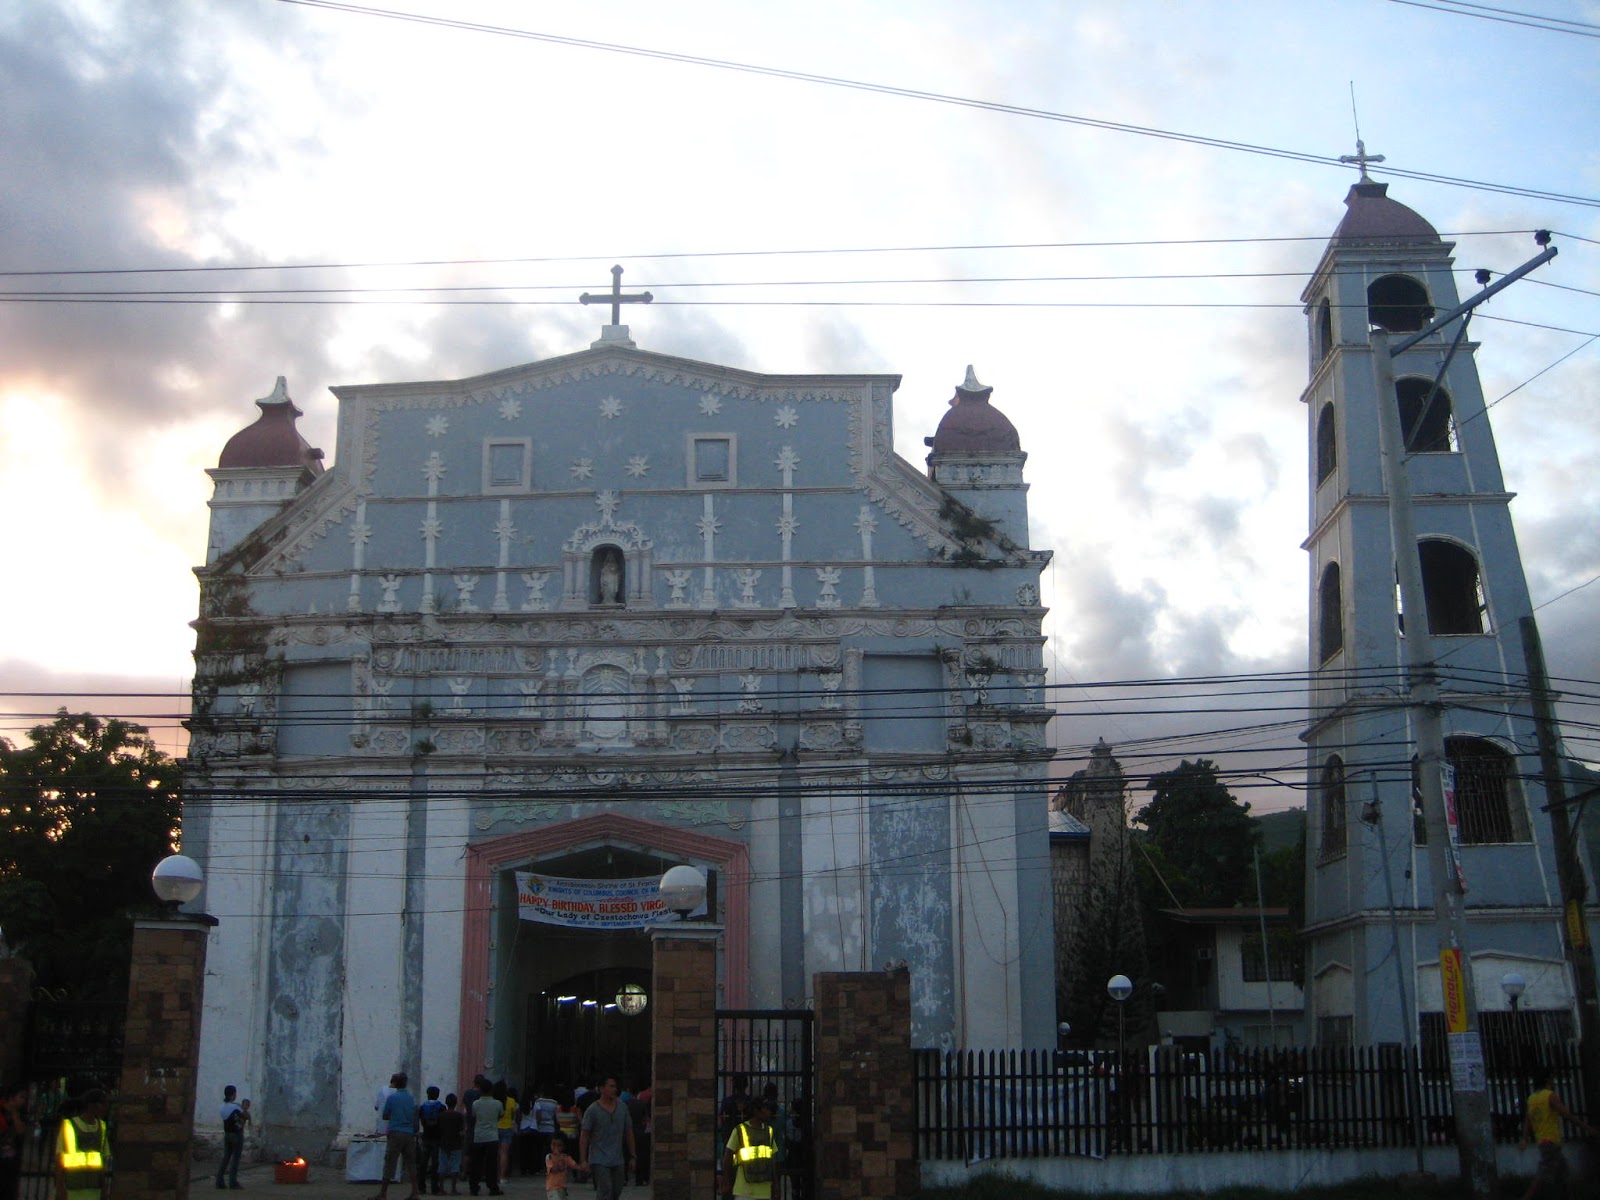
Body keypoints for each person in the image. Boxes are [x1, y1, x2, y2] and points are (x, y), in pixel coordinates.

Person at [1520, 1067, 1597, 1200]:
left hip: (1543, 1141)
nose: (1553, 1081)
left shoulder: (1532, 1099)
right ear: (1547, 1080)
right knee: (1543, 1173)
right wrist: (1588, 1128)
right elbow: (1567, 1115)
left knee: (1563, 1173)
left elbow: (1527, 1120)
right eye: (1552, 1078)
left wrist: (1524, 1138)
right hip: (1551, 1141)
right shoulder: (1550, 1096)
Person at [578, 1076, 635, 1200]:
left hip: (617, 1159)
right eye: (611, 1086)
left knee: (616, 1190)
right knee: (605, 1190)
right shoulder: (592, 1110)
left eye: (615, 1086)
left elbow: (629, 1132)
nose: (614, 1089)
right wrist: (583, 1160)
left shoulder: (622, 1108)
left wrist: (633, 1156)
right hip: (599, 1158)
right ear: (602, 1089)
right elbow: (584, 1136)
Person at [54, 1089, 110, 1200]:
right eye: (103, 1103)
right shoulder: (69, 1126)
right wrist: (60, 1187)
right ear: (92, 1105)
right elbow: (59, 1159)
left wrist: (104, 1187)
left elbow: (102, 1162)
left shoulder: (102, 1128)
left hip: (94, 1189)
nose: (106, 1107)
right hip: (72, 1188)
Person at [721, 1095, 778, 1200]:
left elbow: (773, 1162)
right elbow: (727, 1159)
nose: (769, 1112)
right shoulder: (740, 1130)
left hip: (764, 1191)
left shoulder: (769, 1132)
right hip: (744, 1192)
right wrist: (726, 1183)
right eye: (766, 1108)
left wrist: (775, 1186)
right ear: (756, 1111)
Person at [376, 1072, 420, 1200]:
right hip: (409, 1133)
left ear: (395, 1083)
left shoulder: (392, 1098)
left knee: (390, 1162)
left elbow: (385, 1115)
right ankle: (415, 1192)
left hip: (395, 1132)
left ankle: (383, 1193)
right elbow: (415, 1114)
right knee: (411, 1163)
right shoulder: (411, 1098)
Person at [467, 1082, 503, 1196]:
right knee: (491, 1164)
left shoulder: (475, 1104)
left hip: (478, 1136)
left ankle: (474, 1187)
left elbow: (473, 1116)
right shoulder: (498, 1103)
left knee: (476, 1164)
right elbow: (500, 1115)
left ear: (480, 1090)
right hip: (492, 1136)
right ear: (491, 1090)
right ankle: (492, 1187)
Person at [216, 1085, 249, 1190]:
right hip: (236, 1134)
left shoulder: (221, 1106)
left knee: (226, 1157)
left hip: (227, 1134)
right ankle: (233, 1182)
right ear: (233, 1094)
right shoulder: (235, 1107)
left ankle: (219, 1180)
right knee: (235, 1159)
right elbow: (246, 1115)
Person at [0, 1081, 29, 1200]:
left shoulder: (19, 1114)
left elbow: (20, 1131)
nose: (23, 1101)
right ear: (12, 1098)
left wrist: (14, 1113)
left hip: (10, 1162)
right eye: (21, 1097)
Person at [417, 1086, 446, 1195]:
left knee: (423, 1163)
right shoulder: (442, 1107)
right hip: (437, 1137)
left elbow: (421, 1120)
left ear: (428, 1094)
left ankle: (421, 1187)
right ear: (438, 1095)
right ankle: (434, 1187)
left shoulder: (422, 1107)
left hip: (426, 1136)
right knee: (435, 1163)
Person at [436, 1094, 465, 1197]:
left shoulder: (441, 1116)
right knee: (455, 1166)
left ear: (446, 1103)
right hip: (456, 1143)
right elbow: (462, 1130)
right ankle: (453, 1189)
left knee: (442, 1166)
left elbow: (438, 1129)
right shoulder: (459, 1116)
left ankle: (441, 1189)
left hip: (443, 1142)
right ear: (455, 1103)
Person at [543, 1133, 577, 1200]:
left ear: (564, 1146)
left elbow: (574, 1165)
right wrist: (557, 1156)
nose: (556, 1148)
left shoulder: (566, 1157)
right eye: (553, 1145)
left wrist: (582, 1167)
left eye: (559, 1145)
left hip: (562, 1186)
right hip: (552, 1187)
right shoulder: (549, 1157)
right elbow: (554, 1169)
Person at [494, 1086, 517, 1179]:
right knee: (504, 1153)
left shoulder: (495, 1101)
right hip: (507, 1128)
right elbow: (513, 1115)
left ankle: (496, 1174)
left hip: (495, 1128)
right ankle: (502, 1176)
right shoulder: (511, 1101)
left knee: (496, 1153)